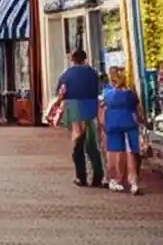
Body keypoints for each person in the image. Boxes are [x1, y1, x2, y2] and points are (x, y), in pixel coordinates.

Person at [56, 49, 104, 188]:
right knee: (92, 144)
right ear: (85, 59)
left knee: (77, 142)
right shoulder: (92, 73)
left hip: (74, 108)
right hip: (90, 107)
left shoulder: (67, 75)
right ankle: (97, 175)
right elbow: (98, 90)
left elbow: (61, 92)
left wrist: (58, 104)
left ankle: (81, 176)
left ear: (72, 59)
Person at [101, 66, 145, 195]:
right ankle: (133, 181)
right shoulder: (130, 94)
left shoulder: (107, 94)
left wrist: (103, 125)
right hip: (130, 124)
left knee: (115, 152)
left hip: (112, 124)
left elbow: (102, 111)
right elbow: (139, 112)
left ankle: (115, 179)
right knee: (131, 152)